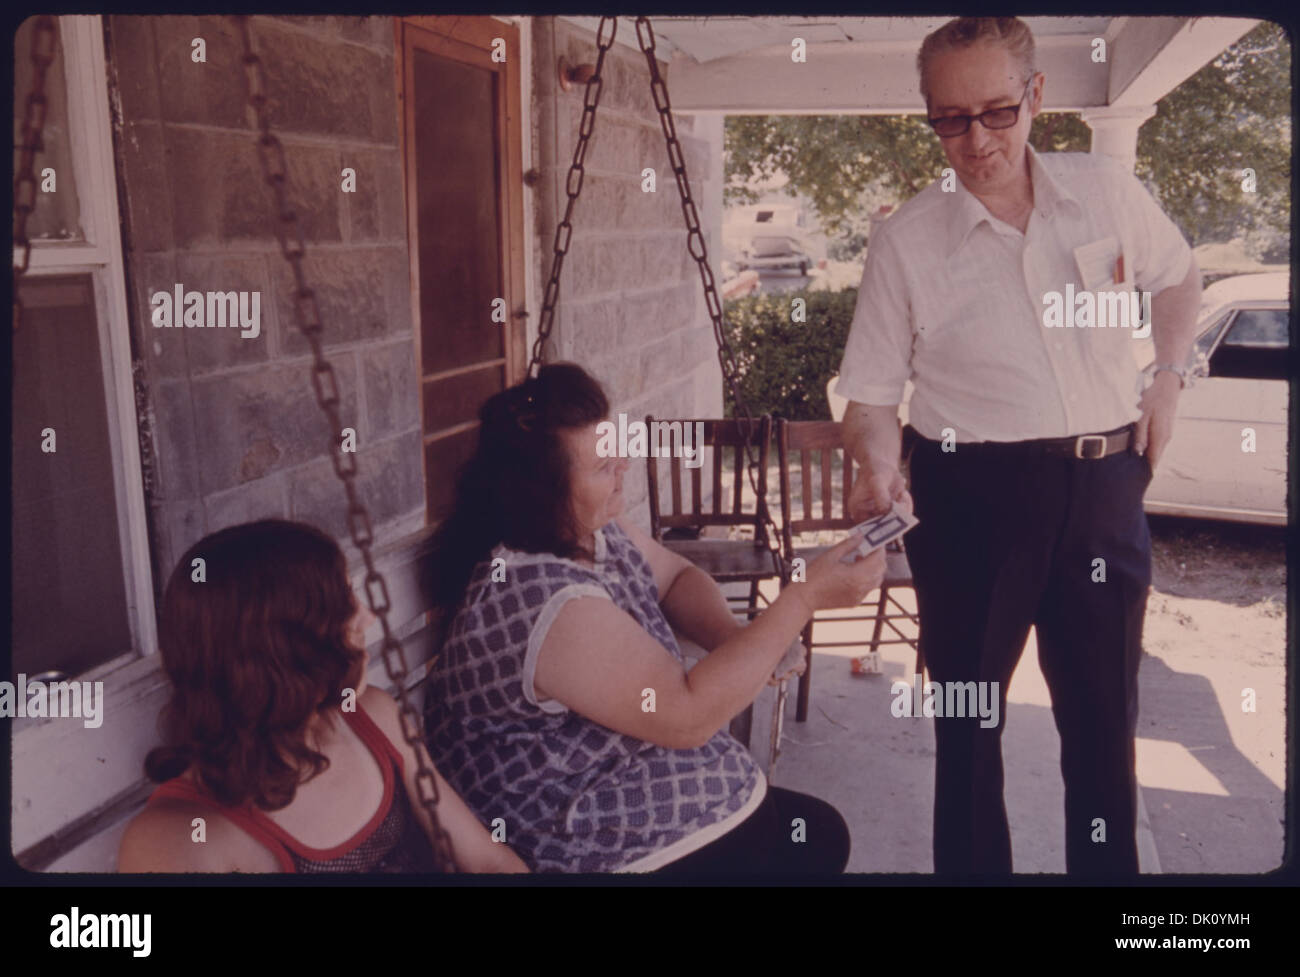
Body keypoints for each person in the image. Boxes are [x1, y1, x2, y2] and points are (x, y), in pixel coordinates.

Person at [837, 17, 1201, 875]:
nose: (977, 141)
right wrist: (880, 466)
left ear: (1036, 96)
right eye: (951, 119)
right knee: (967, 732)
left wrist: (1170, 375)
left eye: (997, 112)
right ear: (930, 116)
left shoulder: (1106, 192)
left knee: (1104, 730)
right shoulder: (908, 239)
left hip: (1103, 489)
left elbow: (1181, 275)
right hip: (970, 500)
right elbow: (873, 396)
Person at [423, 362, 882, 874]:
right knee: (808, 842)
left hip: (630, 782)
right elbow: (688, 716)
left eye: (615, 446)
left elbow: (675, 576)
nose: (623, 465)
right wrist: (804, 599)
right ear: (544, 494)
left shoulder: (591, 527)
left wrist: (732, 638)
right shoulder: (542, 602)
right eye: (603, 466)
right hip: (578, 842)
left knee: (819, 834)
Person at [118, 519, 528, 874]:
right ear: (279, 650)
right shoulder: (179, 840)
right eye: (341, 603)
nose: (367, 618)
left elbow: (488, 861)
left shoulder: (372, 718)